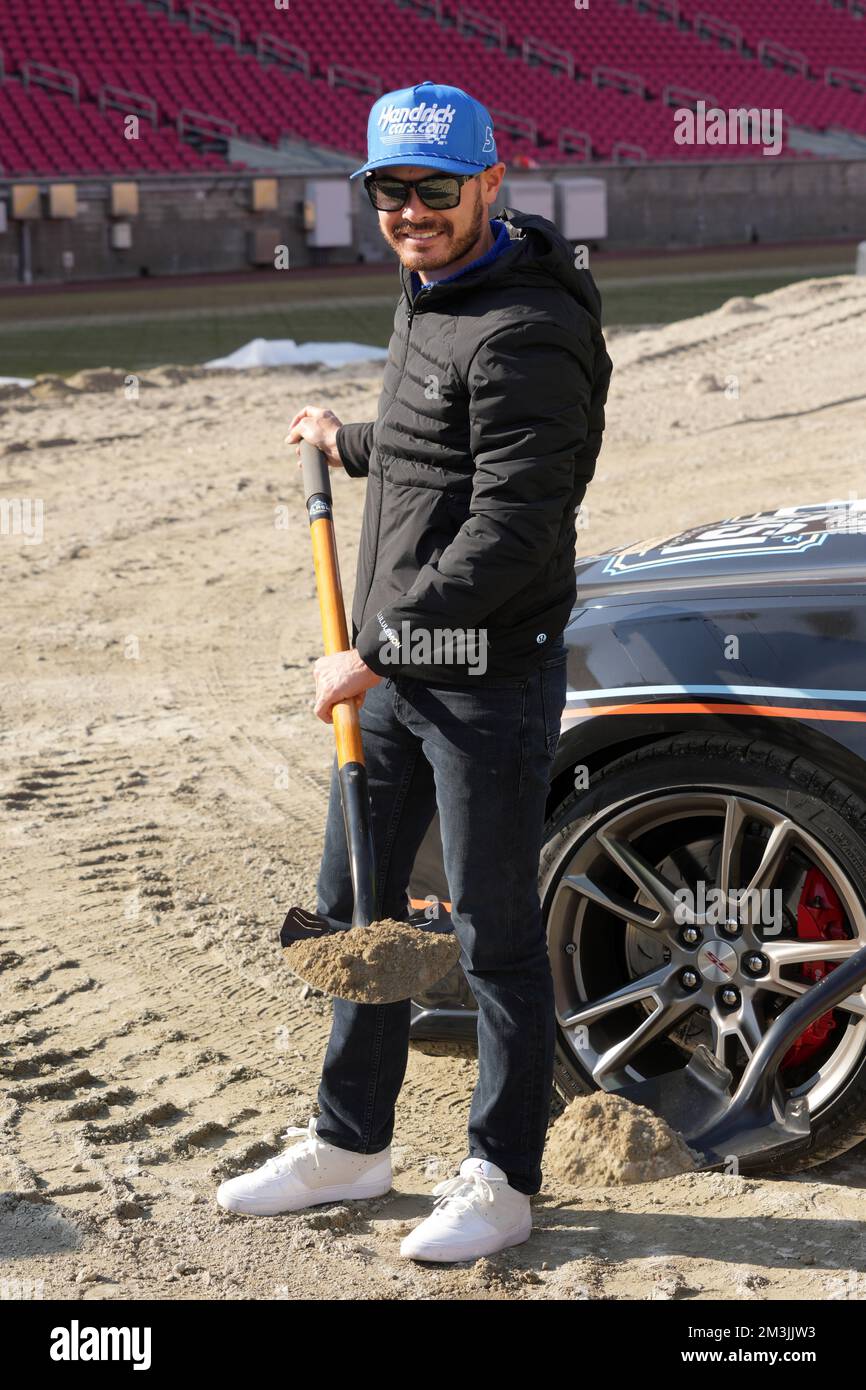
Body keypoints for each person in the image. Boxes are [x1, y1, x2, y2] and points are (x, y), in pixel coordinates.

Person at [217, 81, 613, 1264]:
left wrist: (372, 651)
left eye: (435, 188)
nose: (410, 209)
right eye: (390, 188)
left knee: (491, 932)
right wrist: (348, 440)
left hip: (479, 676)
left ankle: (503, 1173)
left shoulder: (529, 329)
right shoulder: (434, 293)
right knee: (356, 911)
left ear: (491, 182)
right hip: (396, 675)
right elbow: (438, 436)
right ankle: (350, 1142)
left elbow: (509, 529)